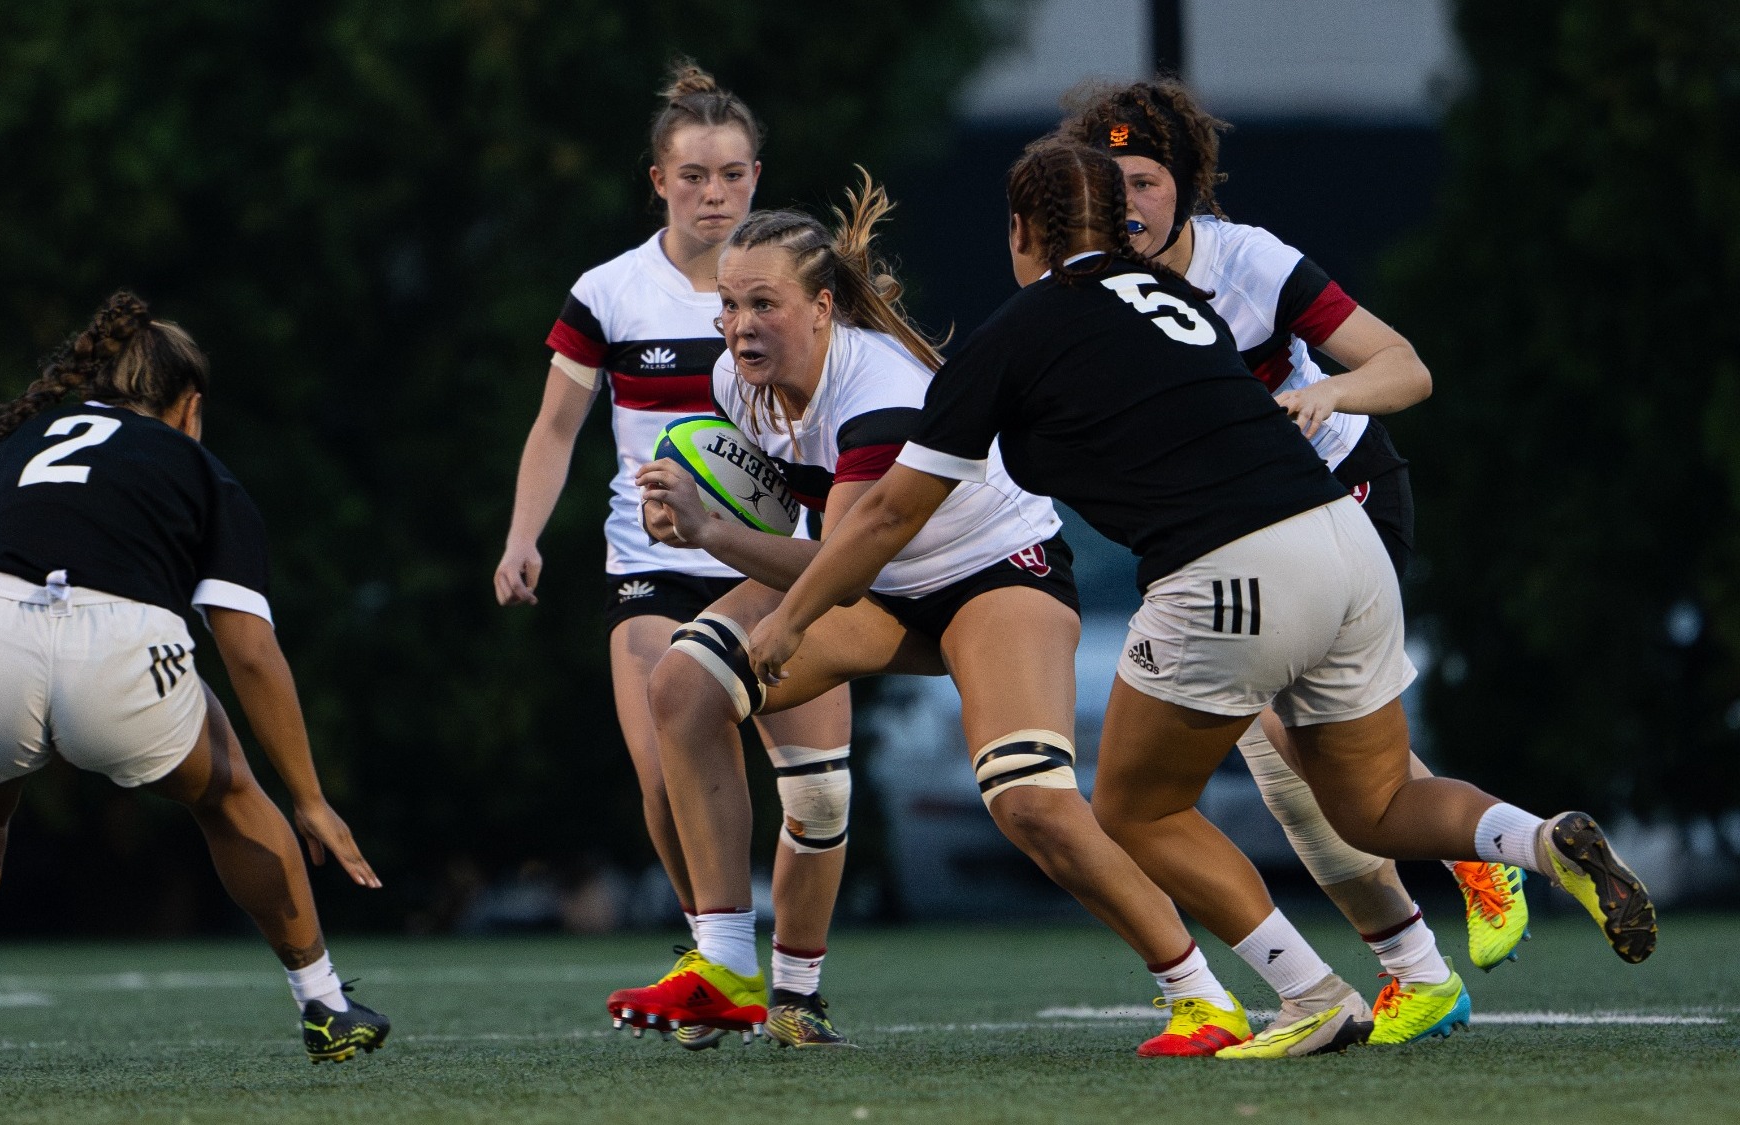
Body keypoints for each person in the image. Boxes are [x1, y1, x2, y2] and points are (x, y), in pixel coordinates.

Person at [745, 135, 1657, 1060]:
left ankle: (1311, 994)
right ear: (1120, 223)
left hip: (1229, 568)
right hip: (1346, 538)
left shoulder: (1016, 332)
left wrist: (788, 618)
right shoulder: (1176, 296)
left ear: (1020, 229)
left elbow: (889, 513)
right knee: (1373, 802)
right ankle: (1542, 840)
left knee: (1134, 809)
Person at [606, 178, 1265, 1059]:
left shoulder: (878, 390)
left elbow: (839, 566)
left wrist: (708, 529)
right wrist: (689, 518)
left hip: (994, 575)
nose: (740, 325)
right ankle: (726, 964)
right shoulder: (739, 379)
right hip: (878, 584)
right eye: (728, 304)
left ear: (823, 307)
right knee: (686, 683)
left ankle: (1201, 995)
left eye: (764, 302)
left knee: (1029, 798)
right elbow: (810, 540)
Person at [1062, 78, 1524, 1042]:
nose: (1127, 203)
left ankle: (1463, 871)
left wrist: (1331, 393)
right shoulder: (1088, 282)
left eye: (1144, 180)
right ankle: (1428, 946)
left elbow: (1407, 367)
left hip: (1341, 498)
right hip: (1242, 533)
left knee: (1285, 740)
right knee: (1287, 760)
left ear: (1187, 186)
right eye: (1107, 184)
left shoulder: (1250, 261)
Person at [0, 293, 388, 1093]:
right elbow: (249, 650)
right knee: (227, 792)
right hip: (116, 653)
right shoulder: (198, 465)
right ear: (189, 406)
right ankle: (325, 1005)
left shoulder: (16, 448)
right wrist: (310, 796)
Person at [494, 60, 855, 1048]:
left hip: (777, 561)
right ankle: (713, 964)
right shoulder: (609, 291)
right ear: (657, 180)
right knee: (663, 766)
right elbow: (556, 428)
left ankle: (795, 992)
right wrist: (523, 538)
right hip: (652, 564)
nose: (714, 193)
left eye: (733, 175)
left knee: (818, 793)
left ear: (755, 177)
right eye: (693, 175)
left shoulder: (795, 284)